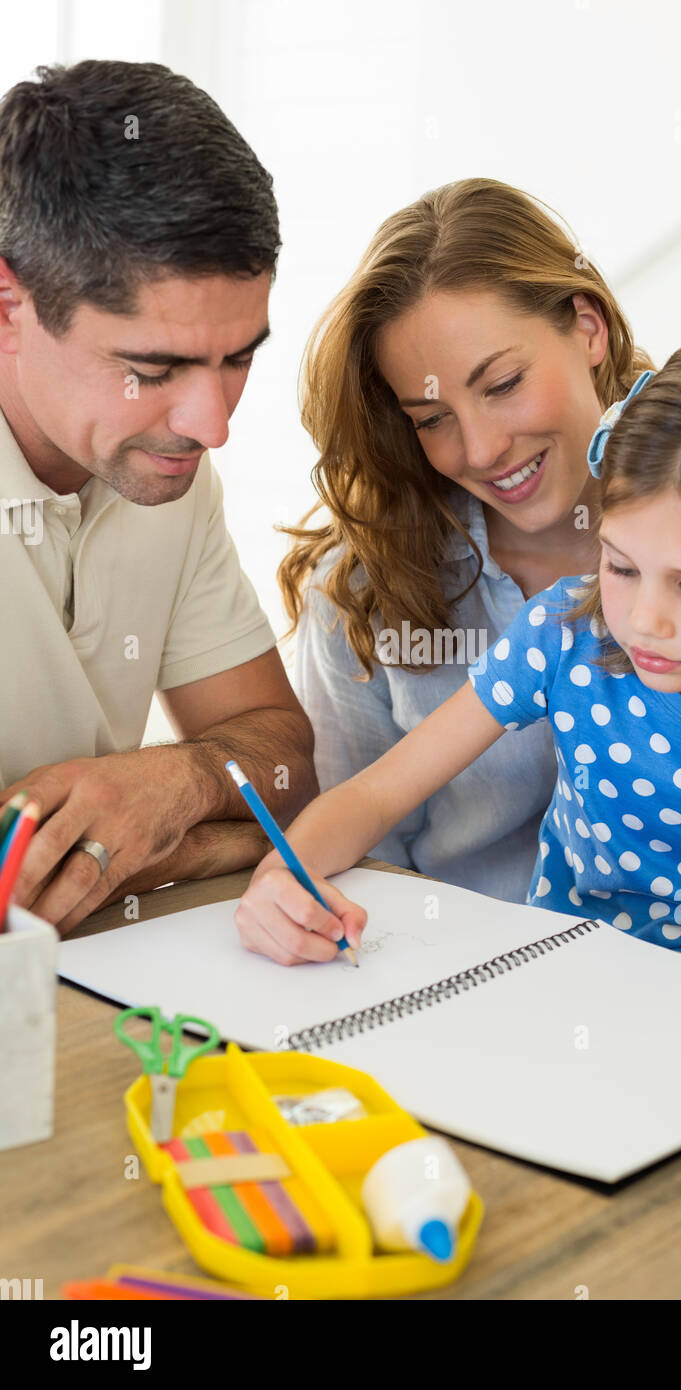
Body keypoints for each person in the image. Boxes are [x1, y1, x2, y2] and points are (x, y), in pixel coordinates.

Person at [235, 341, 681, 1003]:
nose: (644, 620)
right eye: (620, 567)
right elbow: (373, 797)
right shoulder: (563, 635)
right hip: (557, 1001)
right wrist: (283, 874)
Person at [0, 60, 318, 934]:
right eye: (152, 370)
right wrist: (211, 835)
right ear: (8, 305)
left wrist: (172, 783)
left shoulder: (166, 468)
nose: (212, 426)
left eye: (239, 357)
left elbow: (286, 761)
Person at [281, 177, 654, 902]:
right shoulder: (361, 594)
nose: (480, 450)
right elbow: (360, 859)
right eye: (431, 418)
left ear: (588, 328)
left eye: (503, 382)